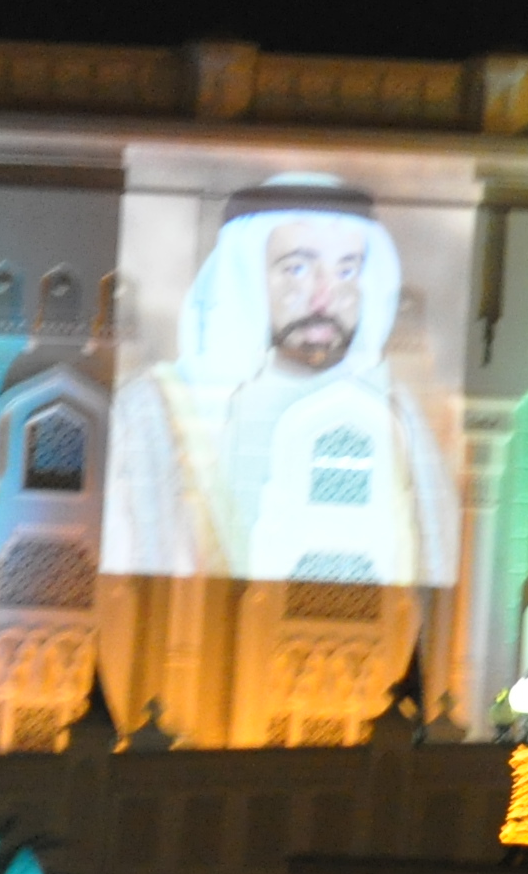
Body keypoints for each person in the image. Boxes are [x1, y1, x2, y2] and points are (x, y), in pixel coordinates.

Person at [108, 176, 457, 589]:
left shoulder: (396, 414)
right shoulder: (158, 408)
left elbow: (436, 563)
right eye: (297, 268)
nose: (325, 297)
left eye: (348, 270)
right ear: (247, 278)